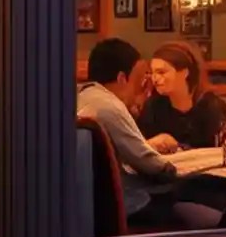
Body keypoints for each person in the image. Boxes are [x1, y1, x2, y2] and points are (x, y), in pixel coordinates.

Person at [139, 41, 226, 228]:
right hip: (164, 188)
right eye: (152, 72)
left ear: (185, 72)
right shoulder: (154, 107)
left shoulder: (212, 108)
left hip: (209, 190)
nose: (155, 78)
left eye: (162, 72)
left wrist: (180, 149)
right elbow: (139, 151)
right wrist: (152, 143)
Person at [76, 38, 179, 224]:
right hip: (124, 207)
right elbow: (149, 163)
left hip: (92, 205)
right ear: (122, 79)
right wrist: (172, 168)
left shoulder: (82, 96)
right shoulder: (108, 105)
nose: (141, 92)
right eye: (139, 82)